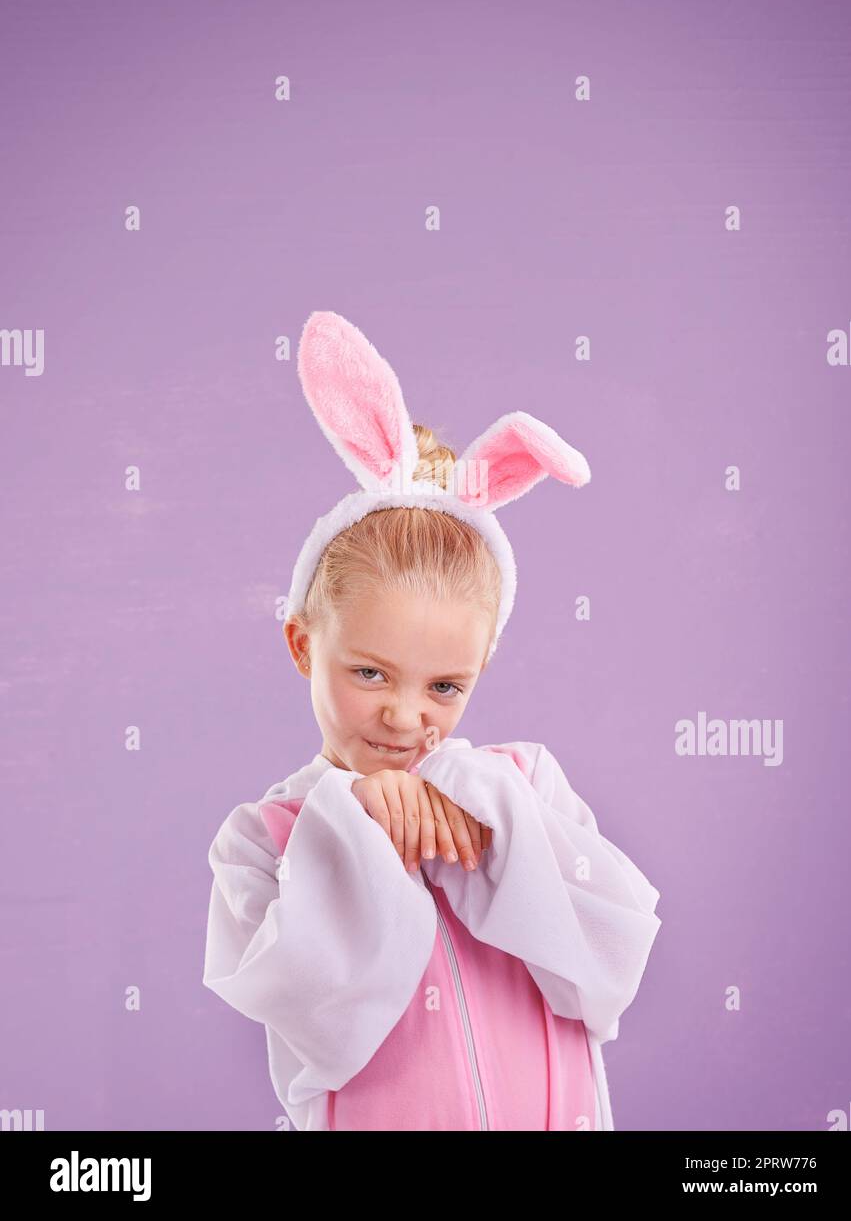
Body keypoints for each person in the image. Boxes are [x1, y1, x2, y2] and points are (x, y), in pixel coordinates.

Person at [202, 310, 661, 1131]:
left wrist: (484, 811)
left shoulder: (522, 787)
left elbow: (603, 973)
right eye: (369, 672)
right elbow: (324, 1030)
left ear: (481, 667)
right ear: (304, 644)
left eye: (445, 687)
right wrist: (355, 824)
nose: (405, 716)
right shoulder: (263, 840)